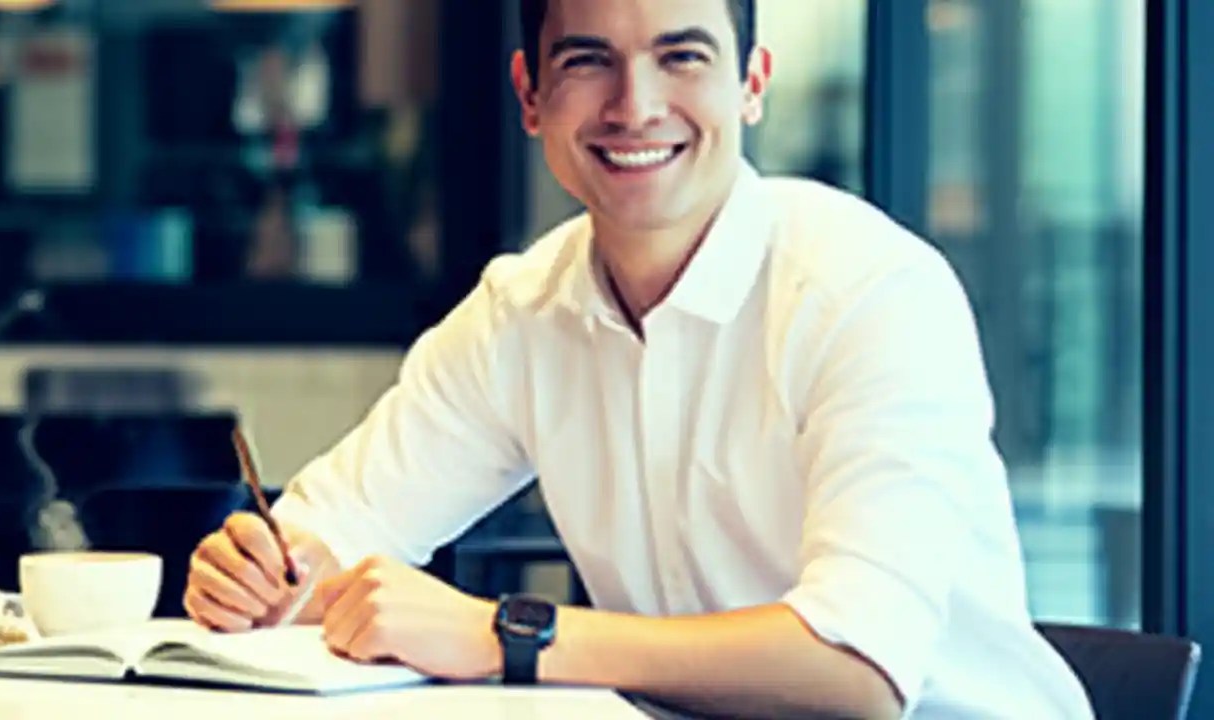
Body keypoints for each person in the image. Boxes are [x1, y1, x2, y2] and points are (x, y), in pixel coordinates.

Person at [184, 1, 1095, 717]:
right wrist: (267, 579)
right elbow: (331, 537)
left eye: (681, 55)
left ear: (752, 83)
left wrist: (507, 637)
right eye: (589, 60)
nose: (635, 105)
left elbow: (855, 672)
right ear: (530, 95)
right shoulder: (523, 311)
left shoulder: (871, 291)